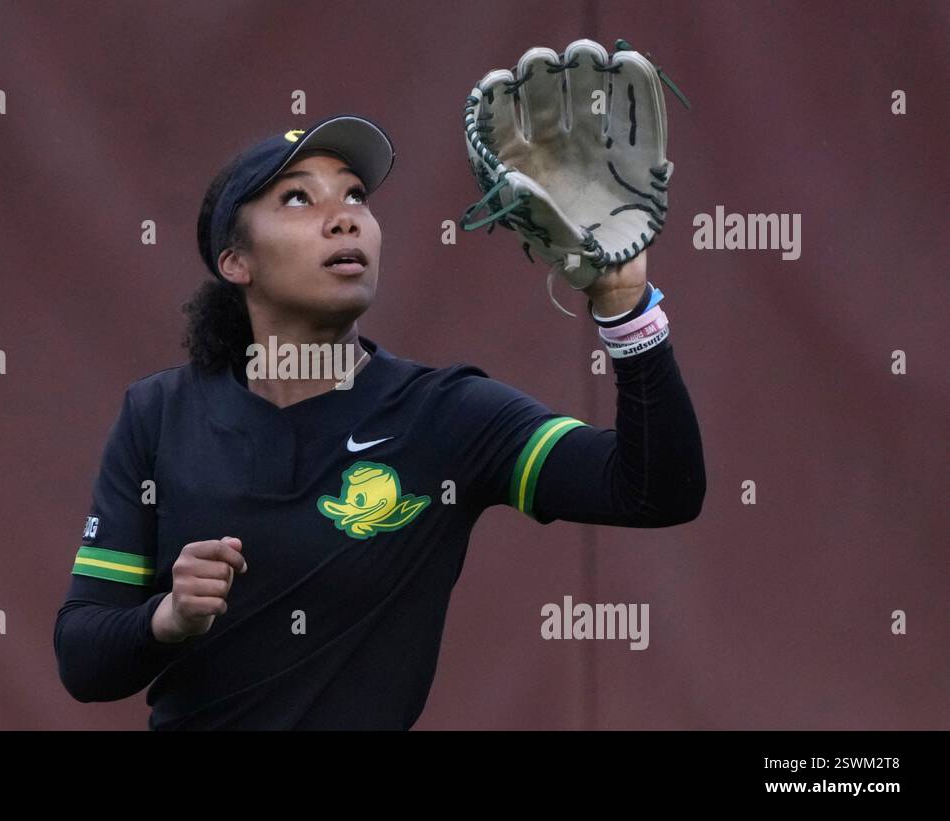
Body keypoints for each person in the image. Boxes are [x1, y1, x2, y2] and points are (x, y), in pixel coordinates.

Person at [53, 114, 705, 730]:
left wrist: (627, 310)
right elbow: (82, 657)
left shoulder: (446, 414)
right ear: (235, 262)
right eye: (298, 200)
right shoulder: (159, 416)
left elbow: (655, 488)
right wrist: (164, 618)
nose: (345, 219)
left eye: (356, 194)